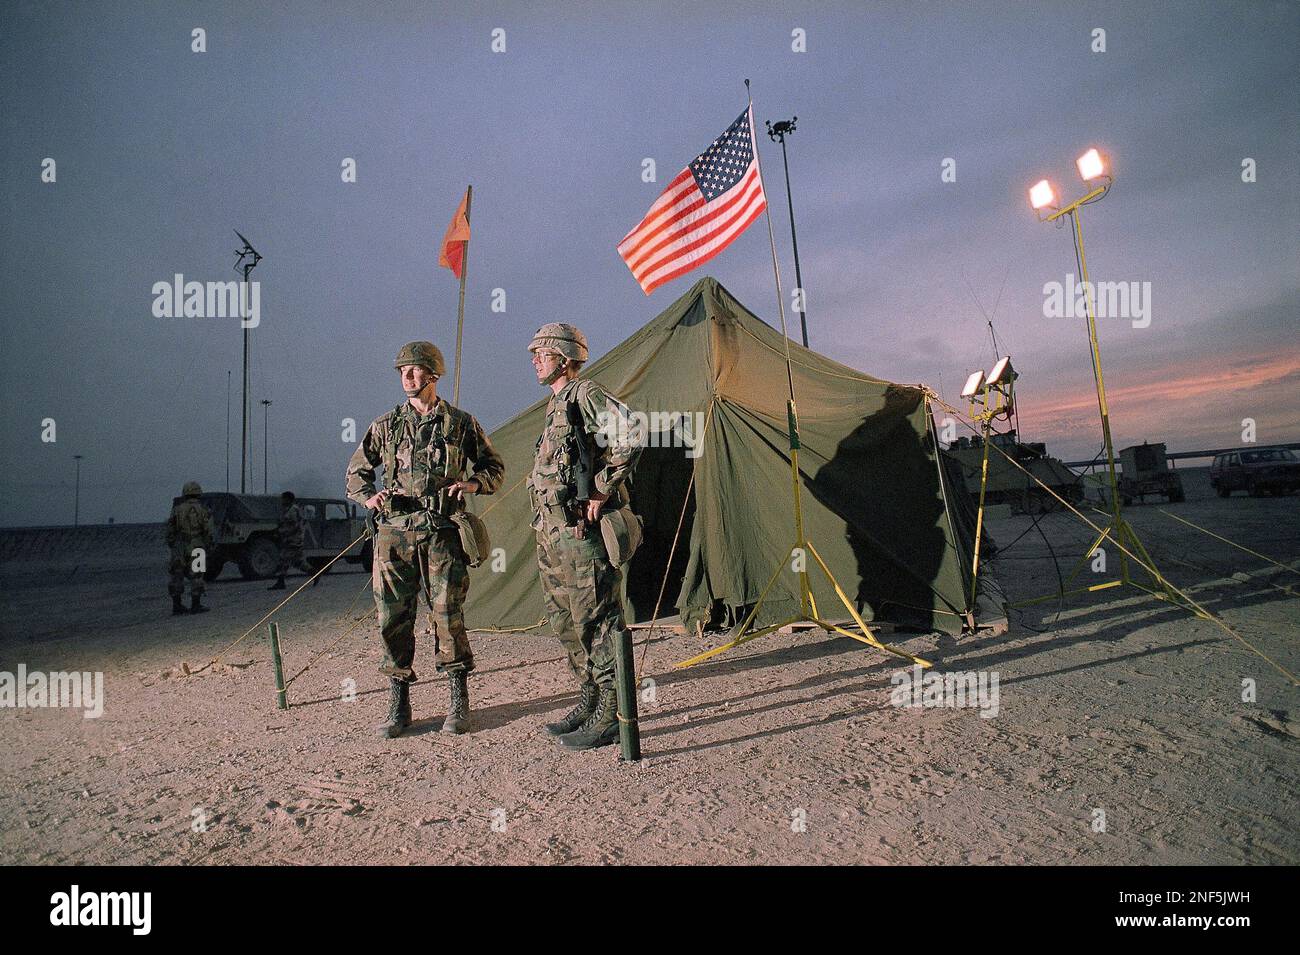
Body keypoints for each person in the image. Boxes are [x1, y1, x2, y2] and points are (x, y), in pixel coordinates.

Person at [345, 341, 505, 738]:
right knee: (393, 620)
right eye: (403, 371)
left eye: (415, 371)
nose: (408, 378)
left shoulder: (460, 423)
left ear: (433, 375)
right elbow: (356, 472)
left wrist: (472, 482)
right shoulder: (386, 425)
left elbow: (494, 466)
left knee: (447, 617)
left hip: (440, 532)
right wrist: (369, 496)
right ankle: (399, 704)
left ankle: (457, 702)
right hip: (393, 536)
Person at [526, 323, 642, 751]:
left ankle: (613, 713)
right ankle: (590, 700)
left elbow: (631, 433)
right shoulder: (555, 405)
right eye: (534, 353)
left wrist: (601, 488)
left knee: (596, 620)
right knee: (565, 623)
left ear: (565, 357)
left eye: (542, 352)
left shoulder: (584, 394)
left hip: (581, 534)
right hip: (553, 535)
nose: (535, 359)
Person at [166, 481, 213, 615]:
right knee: (197, 575)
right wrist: (208, 545)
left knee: (177, 575)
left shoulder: (177, 509)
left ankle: (177, 605)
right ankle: (196, 604)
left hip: (179, 547)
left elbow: (170, 530)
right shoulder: (203, 510)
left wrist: (172, 544)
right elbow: (208, 530)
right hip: (197, 545)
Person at [268, 491, 315, 590]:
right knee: (298, 562)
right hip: (292, 539)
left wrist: (283, 532)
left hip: (292, 540)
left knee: (283, 560)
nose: (281, 500)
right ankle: (314, 573)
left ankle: (280, 582)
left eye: (283, 498)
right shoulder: (288, 509)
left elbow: (294, 526)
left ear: (288, 499)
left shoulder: (293, 510)